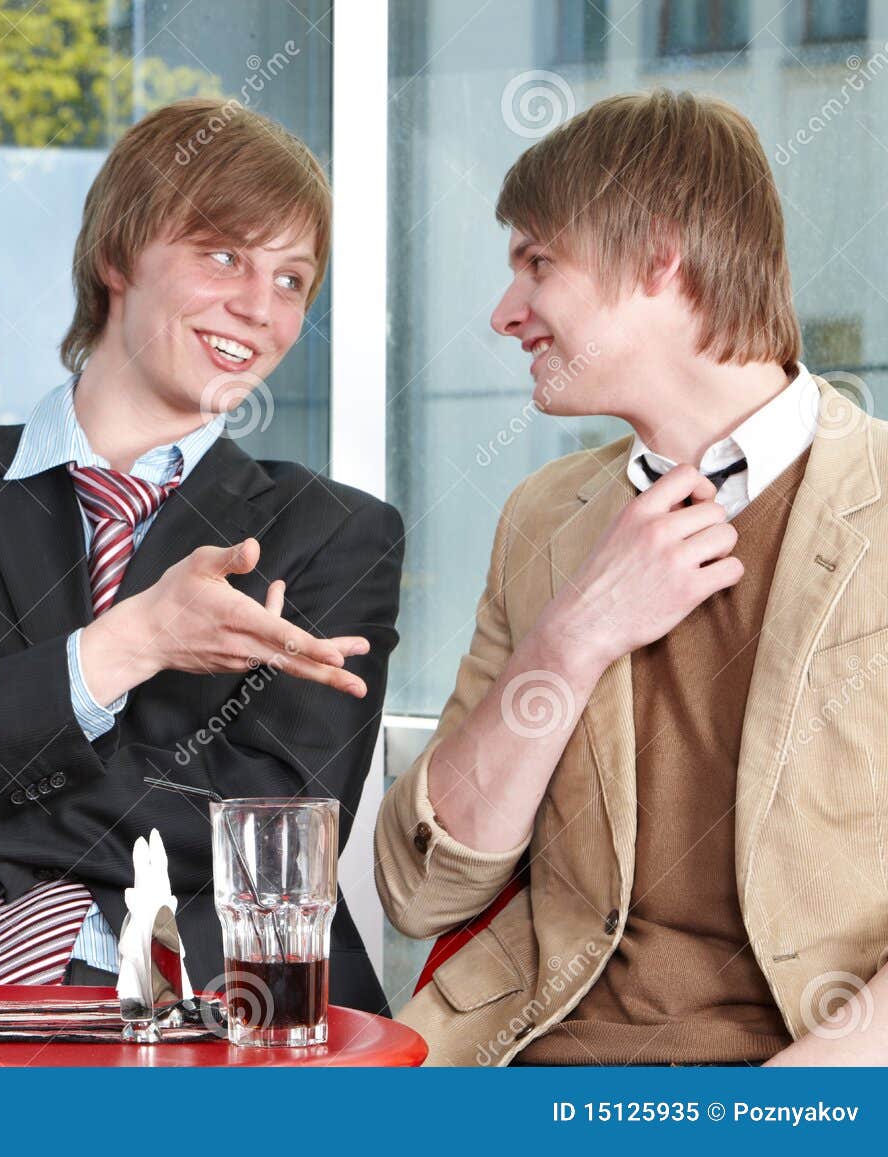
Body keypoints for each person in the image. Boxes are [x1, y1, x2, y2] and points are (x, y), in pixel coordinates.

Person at [376, 89, 888, 1065]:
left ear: (658, 255)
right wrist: (573, 638)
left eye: (537, 263)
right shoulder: (543, 517)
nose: (503, 312)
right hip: (525, 1062)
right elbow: (421, 887)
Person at [0, 97, 404, 1012]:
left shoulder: (333, 534)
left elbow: (265, 831)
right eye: (224, 254)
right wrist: (125, 647)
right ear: (117, 254)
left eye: (289, 280)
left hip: (233, 1006)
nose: (256, 306)